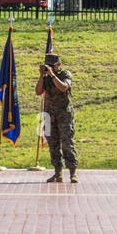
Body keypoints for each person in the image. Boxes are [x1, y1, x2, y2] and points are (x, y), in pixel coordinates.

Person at [36, 52, 78, 183]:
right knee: (53, 145)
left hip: (64, 115)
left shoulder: (65, 74)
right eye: (47, 66)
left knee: (67, 144)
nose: (49, 68)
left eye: (51, 66)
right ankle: (57, 173)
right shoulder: (46, 77)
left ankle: (72, 173)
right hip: (49, 115)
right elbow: (38, 92)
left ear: (58, 65)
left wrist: (52, 75)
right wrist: (42, 76)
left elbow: (63, 87)